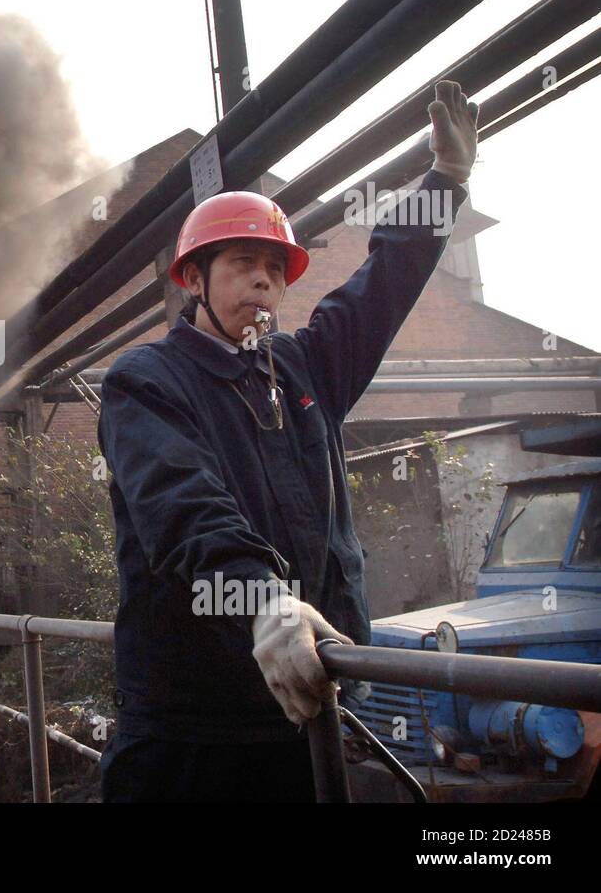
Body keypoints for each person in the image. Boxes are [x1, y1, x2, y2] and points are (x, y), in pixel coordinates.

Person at [97, 81, 479, 802]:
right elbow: (184, 510)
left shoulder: (306, 369)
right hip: (194, 739)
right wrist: (263, 599)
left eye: (276, 270)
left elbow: (383, 283)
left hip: (314, 714)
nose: (265, 283)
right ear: (192, 280)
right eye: (243, 263)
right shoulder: (146, 382)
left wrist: (446, 183)